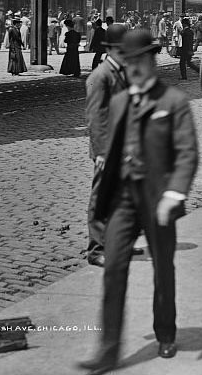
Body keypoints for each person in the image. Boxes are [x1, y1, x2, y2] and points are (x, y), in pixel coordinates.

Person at [80, 29, 199, 371]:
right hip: (124, 200)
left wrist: (173, 194)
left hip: (158, 198)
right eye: (128, 61)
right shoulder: (118, 102)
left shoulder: (173, 102)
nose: (133, 67)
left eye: (139, 61)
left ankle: (165, 334)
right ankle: (108, 349)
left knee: (163, 269)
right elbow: (112, 148)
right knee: (114, 268)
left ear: (151, 61)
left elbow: (187, 154)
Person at [84, 23, 129, 267]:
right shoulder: (100, 76)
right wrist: (101, 152)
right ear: (111, 49)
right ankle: (96, 250)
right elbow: (94, 118)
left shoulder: (121, 73)